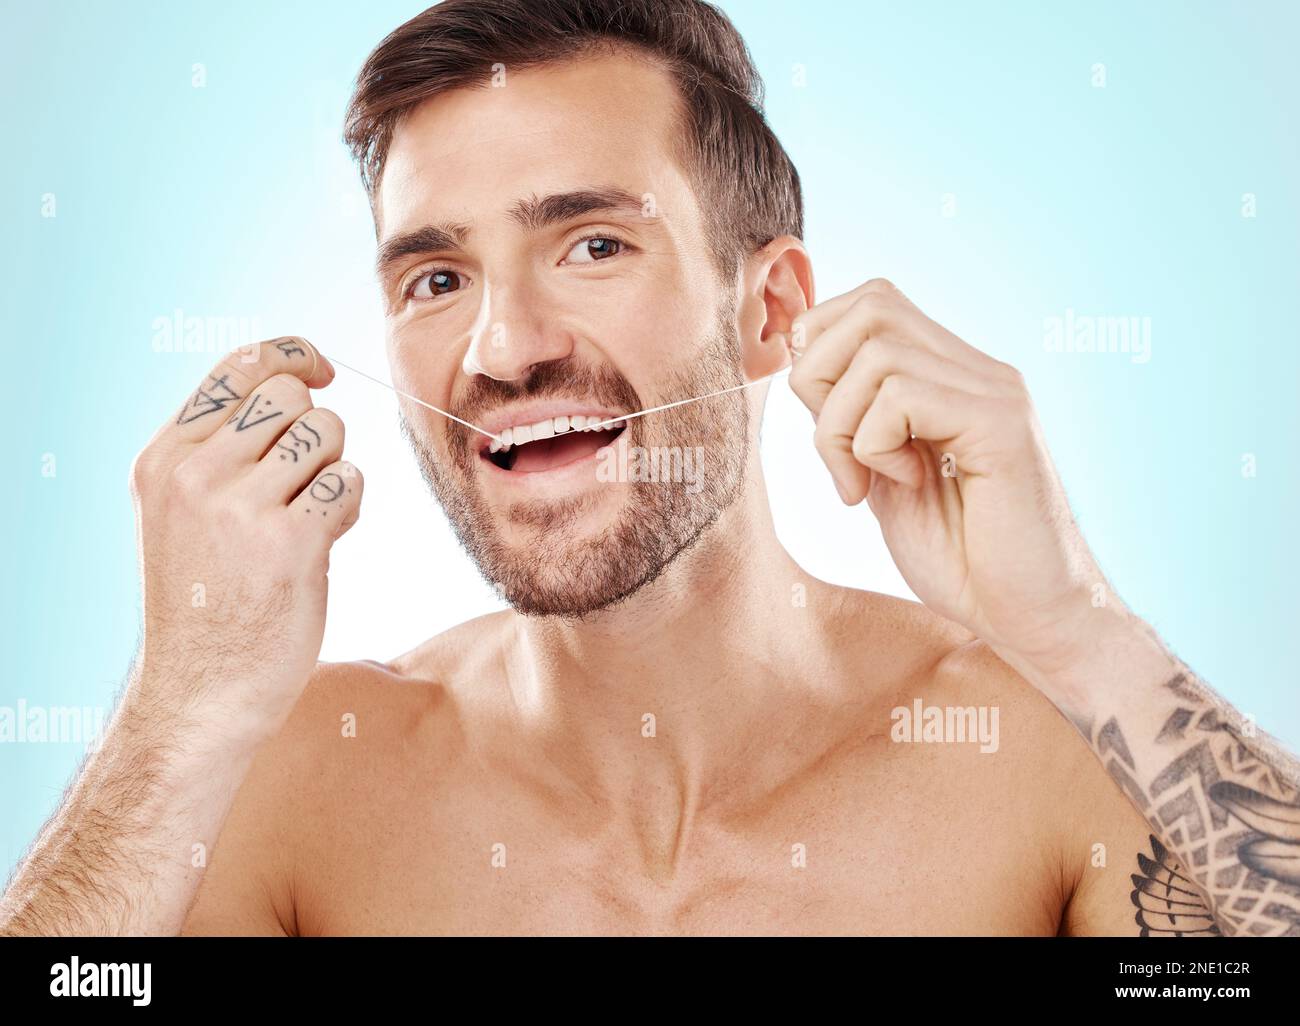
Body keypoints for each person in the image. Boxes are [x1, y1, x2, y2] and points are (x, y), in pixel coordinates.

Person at [3, 0, 1297, 937]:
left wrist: (1078, 630)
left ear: (772, 307)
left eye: (593, 245)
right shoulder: (291, 780)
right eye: (438, 277)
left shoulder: (1045, 751)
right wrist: (174, 718)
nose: (502, 349)